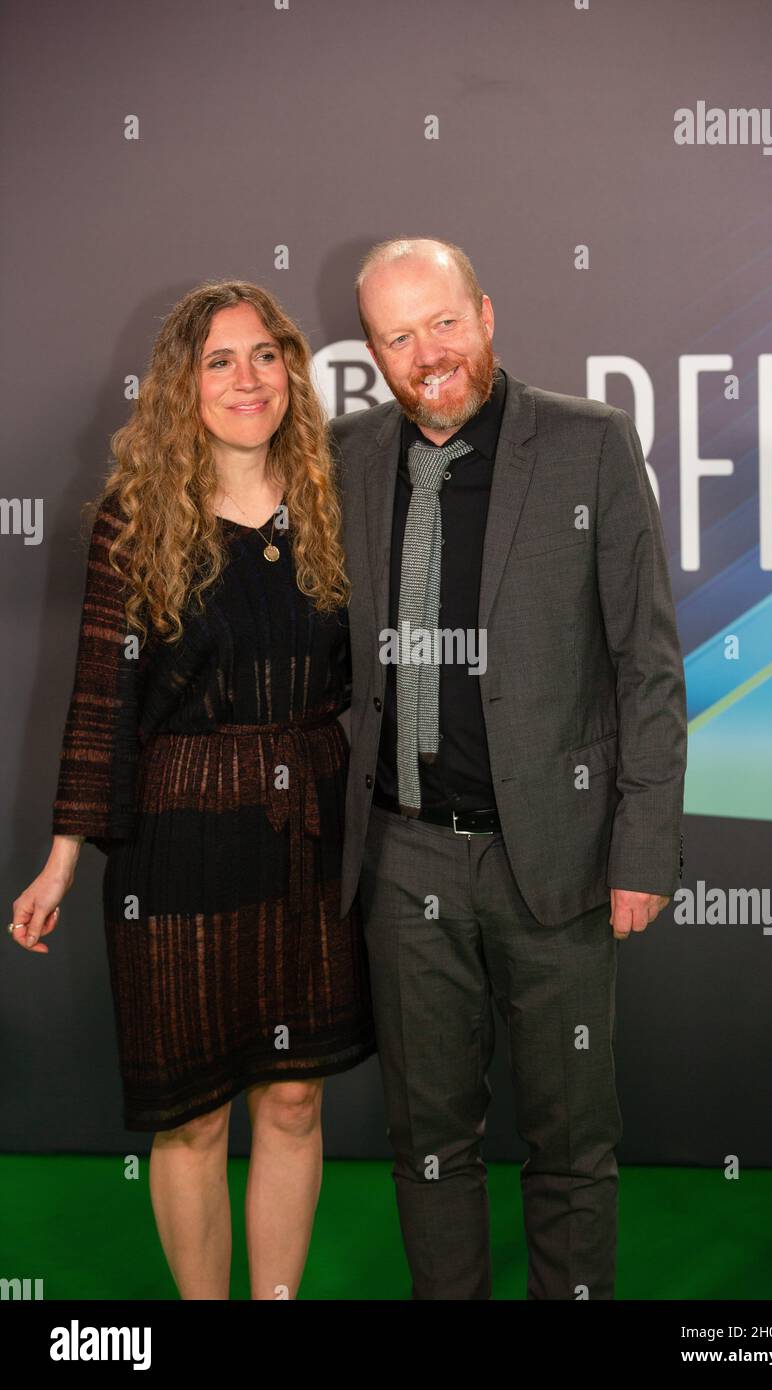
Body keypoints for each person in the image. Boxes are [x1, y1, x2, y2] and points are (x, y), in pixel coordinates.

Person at [329, 237, 687, 1300]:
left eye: (441, 322)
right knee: (427, 1142)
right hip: (400, 857)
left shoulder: (586, 443)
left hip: (558, 856)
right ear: (372, 354)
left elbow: (647, 666)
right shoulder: (344, 455)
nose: (425, 353)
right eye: (397, 336)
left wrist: (641, 848)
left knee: (571, 1141)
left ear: (484, 316)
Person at [10, 280, 376, 1300]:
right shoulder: (138, 518)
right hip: (175, 839)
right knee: (195, 1112)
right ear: (183, 383)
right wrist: (62, 857)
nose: (246, 379)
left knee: (295, 1098)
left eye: (264, 355)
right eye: (219, 361)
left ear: (290, 371)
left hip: (306, 828)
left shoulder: (334, 499)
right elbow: (99, 699)